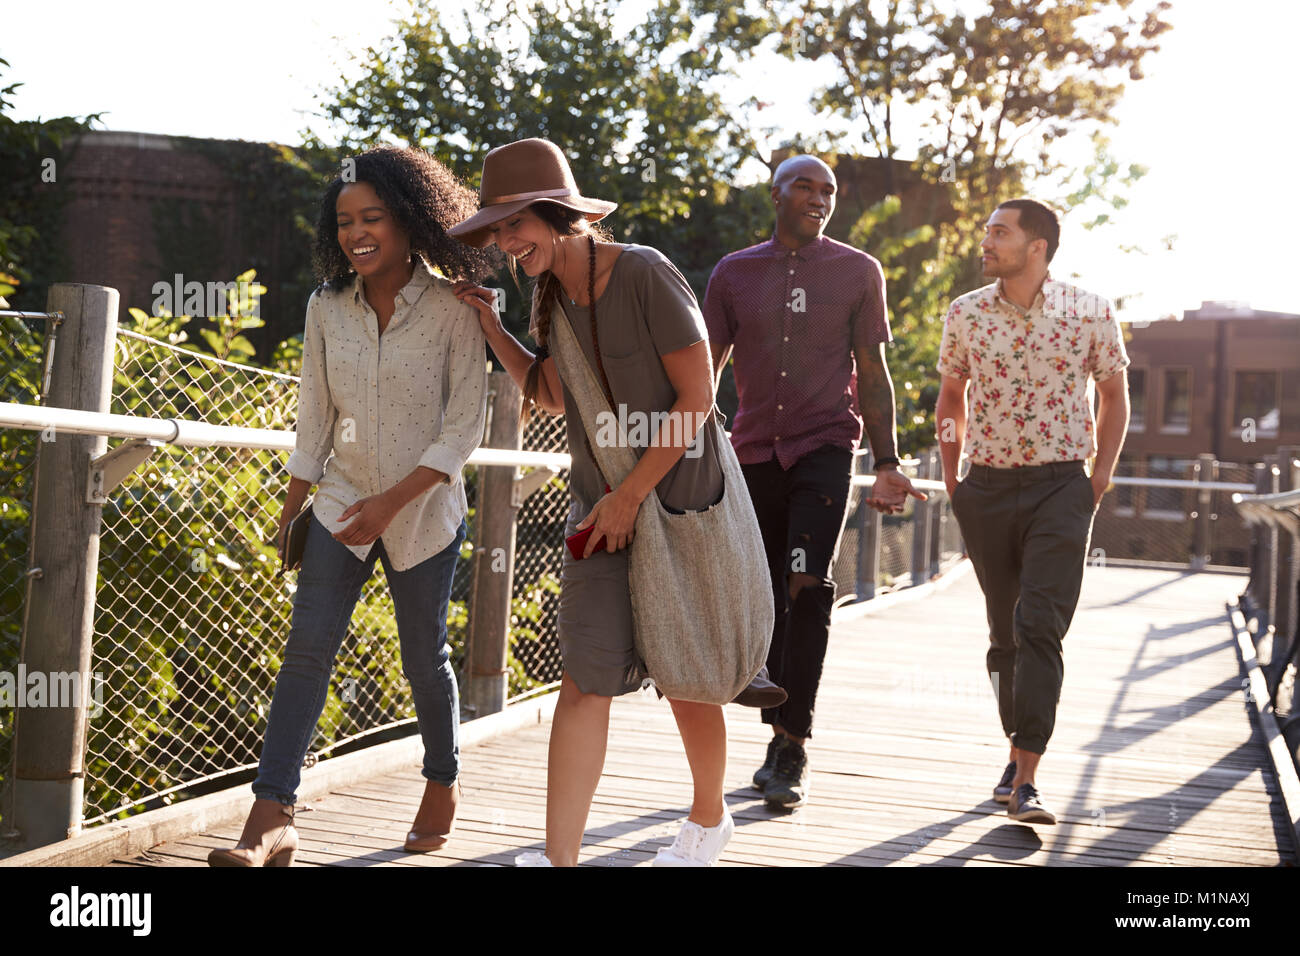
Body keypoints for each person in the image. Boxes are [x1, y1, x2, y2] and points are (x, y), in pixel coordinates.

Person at [448, 138, 746, 867]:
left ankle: (710, 821)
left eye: (514, 223)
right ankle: (560, 861)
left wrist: (631, 496)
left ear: (559, 214)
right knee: (584, 680)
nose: (505, 242)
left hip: (681, 505)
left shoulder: (642, 272)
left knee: (686, 675)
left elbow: (698, 398)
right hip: (602, 510)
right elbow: (553, 393)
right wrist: (494, 330)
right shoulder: (550, 297)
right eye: (496, 229)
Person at [207, 146, 495, 866]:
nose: (356, 232)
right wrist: (293, 502)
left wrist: (391, 504)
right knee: (306, 651)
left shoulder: (454, 306)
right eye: (343, 221)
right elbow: (313, 416)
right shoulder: (325, 307)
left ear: (408, 218)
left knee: (422, 656)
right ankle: (270, 816)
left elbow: (464, 427)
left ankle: (442, 780)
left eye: (372, 217)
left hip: (424, 510)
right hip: (339, 503)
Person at [702, 154, 923, 811]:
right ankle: (776, 727)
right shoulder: (733, 273)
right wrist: (689, 444)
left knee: (808, 583)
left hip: (826, 446)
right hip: (753, 452)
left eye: (828, 190)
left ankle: (793, 743)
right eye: (805, 186)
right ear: (775, 195)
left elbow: (873, 370)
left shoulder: (858, 271)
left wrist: (887, 461)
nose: (819, 197)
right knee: (767, 591)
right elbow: (705, 367)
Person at [935, 198, 1130, 825]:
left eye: (1000, 232)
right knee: (1003, 637)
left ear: (1037, 246)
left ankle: (1026, 778)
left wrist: (1096, 479)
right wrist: (951, 479)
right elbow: (950, 394)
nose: (986, 241)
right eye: (988, 230)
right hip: (986, 489)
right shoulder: (965, 313)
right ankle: (1015, 752)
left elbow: (1114, 394)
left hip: (1060, 489)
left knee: (1039, 623)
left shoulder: (1091, 311)